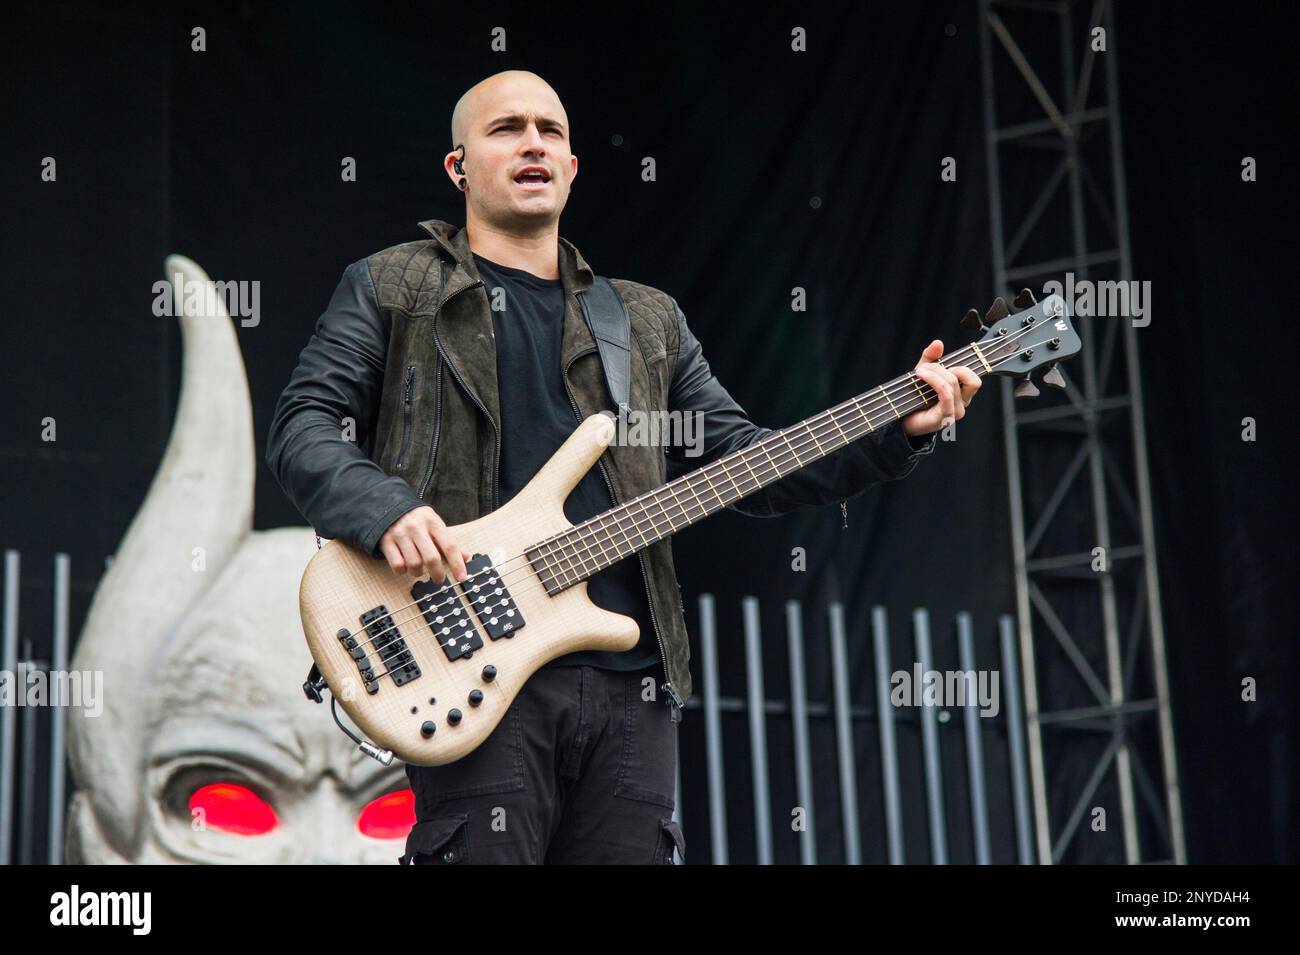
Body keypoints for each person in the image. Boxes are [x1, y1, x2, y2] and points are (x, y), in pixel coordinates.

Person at [265, 69, 981, 864]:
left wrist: (897, 429)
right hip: (471, 662)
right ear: (458, 167)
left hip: (632, 689)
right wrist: (385, 507)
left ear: (572, 169)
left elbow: (751, 461)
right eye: (507, 128)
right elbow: (304, 425)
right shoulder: (394, 286)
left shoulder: (644, 319)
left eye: (552, 130)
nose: (534, 141)